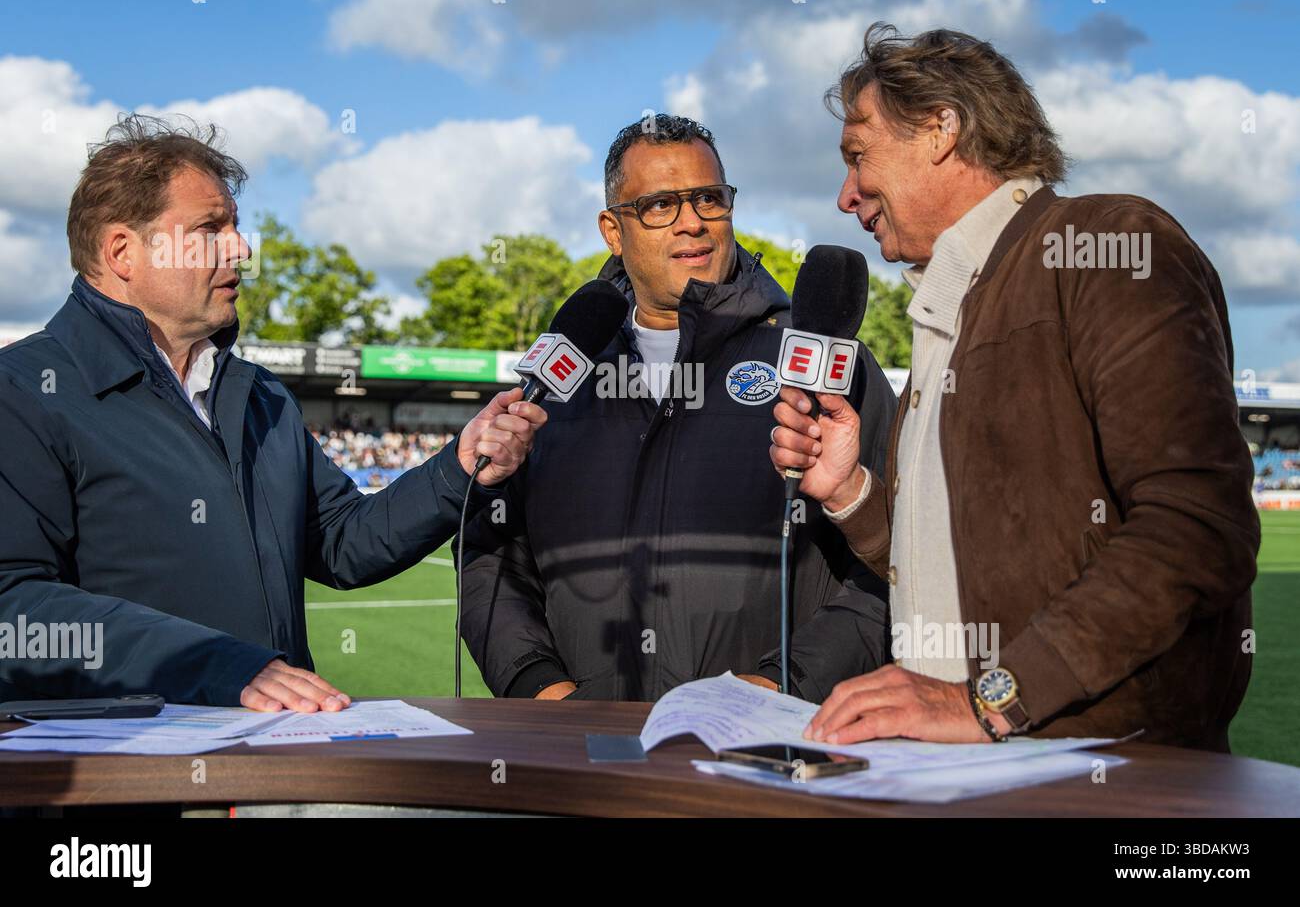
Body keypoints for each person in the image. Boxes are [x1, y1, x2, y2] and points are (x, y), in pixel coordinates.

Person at [769, 25, 1258, 748]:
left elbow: (1196, 530)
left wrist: (991, 701)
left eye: (857, 156)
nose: (846, 196)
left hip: (1103, 779)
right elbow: (958, 572)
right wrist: (852, 496)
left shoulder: (1109, 245)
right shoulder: (950, 305)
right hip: (960, 774)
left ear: (941, 128)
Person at [0, 115, 545, 711]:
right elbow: (13, 606)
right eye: (211, 228)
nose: (241, 247)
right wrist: (212, 664)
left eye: (235, 226)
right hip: (123, 781)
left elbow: (341, 543)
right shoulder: (23, 391)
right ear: (124, 252)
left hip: (273, 760)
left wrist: (456, 469)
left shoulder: (260, 396)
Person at [459, 114, 898, 702]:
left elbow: (892, 566)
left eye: (708, 199)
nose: (692, 222)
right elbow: (488, 556)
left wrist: (778, 686)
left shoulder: (827, 366)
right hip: (581, 752)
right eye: (661, 204)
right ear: (613, 230)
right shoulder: (558, 376)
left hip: (768, 749)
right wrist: (540, 688)